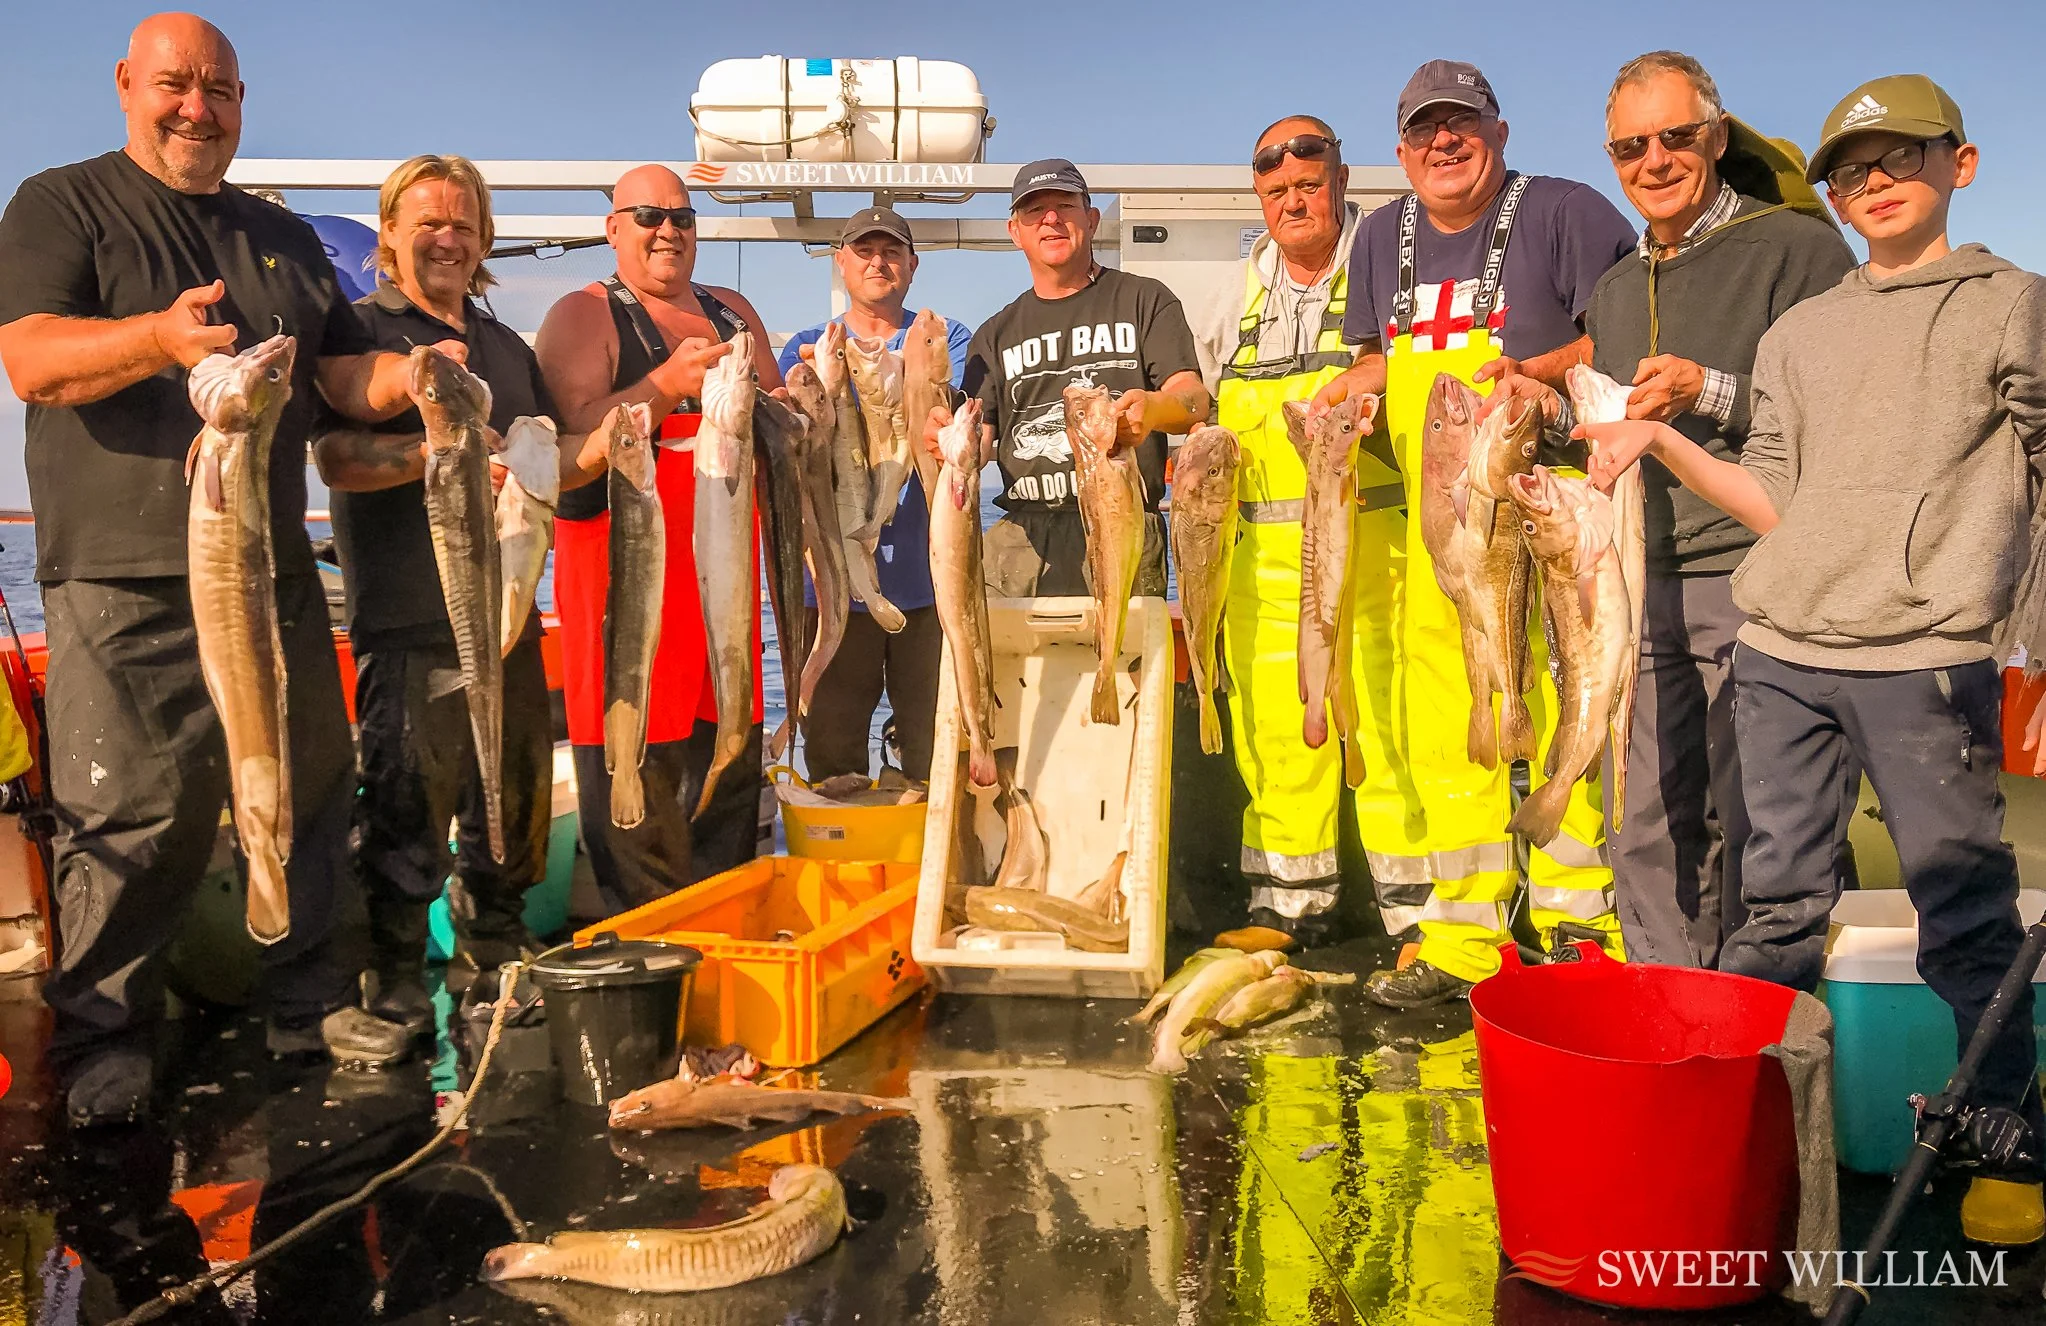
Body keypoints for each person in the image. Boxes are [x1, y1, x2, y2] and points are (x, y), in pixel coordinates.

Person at [1585, 74, 2046, 1245]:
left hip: (1925, 658)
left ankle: (2006, 1137)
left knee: (1964, 911)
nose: (1875, 183)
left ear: (1961, 164)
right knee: (1774, 910)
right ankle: (1748, 1136)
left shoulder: (2012, 306)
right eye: (1850, 171)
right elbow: (1774, 499)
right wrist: (1657, 442)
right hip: (1783, 653)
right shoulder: (1802, 332)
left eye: (1902, 157)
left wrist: (2036, 642)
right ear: (1829, 194)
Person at [0, 13, 431, 1122]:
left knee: (307, 781)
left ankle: (311, 999)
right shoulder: (61, 203)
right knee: (133, 811)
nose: (198, 108)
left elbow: (341, 376)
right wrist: (158, 338)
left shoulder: (276, 235)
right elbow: (32, 361)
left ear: (242, 105)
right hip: (120, 576)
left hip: (268, 565)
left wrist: (414, 378)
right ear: (126, 85)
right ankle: (105, 1037)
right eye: (175, 85)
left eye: (220, 91)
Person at [1490, 52, 1855, 968]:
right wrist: (1546, 414)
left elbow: (1845, 410)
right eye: (1630, 147)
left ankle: (1770, 1013)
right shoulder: (1615, 291)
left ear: (1717, 137)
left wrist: (1709, 389)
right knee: (1644, 819)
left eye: (1676, 137)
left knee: (1764, 819)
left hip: (1762, 579)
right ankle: (1668, 1000)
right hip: (1636, 586)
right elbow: (1617, 432)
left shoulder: (1799, 252)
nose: (1653, 161)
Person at [1309, 60, 1637, 1008]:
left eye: (1461, 123)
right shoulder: (1380, 236)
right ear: (1401, 148)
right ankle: (1464, 937)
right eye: (1424, 129)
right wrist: (1349, 395)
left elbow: (1621, 335)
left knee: (1578, 688)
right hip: (1442, 524)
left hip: (1551, 507)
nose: (1442, 142)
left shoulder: (1567, 212)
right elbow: (1381, 358)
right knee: (1453, 711)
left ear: (1499, 131)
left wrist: (1539, 370)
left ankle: (1584, 925)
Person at [312, 156, 600, 1035]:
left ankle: (497, 950)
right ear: (389, 233)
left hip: (509, 615)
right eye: (428, 222)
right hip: (409, 616)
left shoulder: (504, 346)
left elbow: (550, 457)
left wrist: (624, 429)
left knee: (512, 794)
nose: (447, 239)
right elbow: (336, 460)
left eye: (463, 225)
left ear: (484, 241)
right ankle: (396, 973)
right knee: (407, 798)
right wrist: (436, 454)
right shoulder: (359, 331)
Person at [535, 165, 783, 913]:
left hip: (722, 596)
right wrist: (668, 384)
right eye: (648, 216)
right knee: (636, 773)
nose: (667, 230)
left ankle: (721, 939)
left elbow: (775, 417)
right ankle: (651, 940)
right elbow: (570, 442)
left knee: (728, 771)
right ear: (614, 229)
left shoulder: (732, 310)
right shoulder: (583, 316)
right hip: (626, 591)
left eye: (682, 216)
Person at [1191, 116, 1390, 946]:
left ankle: (1421, 919)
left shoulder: (1386, 269)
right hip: (1258, 574)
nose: (1293, 202)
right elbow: (1197, 409)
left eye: (1309, 185)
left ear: (1340, 183)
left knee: (1390, 729)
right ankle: (1287, 908)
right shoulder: (1229, 297)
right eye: (1276, 191)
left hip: (1379, 559)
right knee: (1273, 738)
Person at [946, 160, 1208, 597]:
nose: (1050, 218)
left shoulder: (1146, 299)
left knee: (1124, 643)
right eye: (1034, 210)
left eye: (1065, 206)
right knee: (1012, 645)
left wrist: (1153, 408)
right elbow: (981, 438)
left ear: (1091, 219)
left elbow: (1195, 400)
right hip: (1022, 540)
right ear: (1015, 231)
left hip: (1124, 519)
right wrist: (948, 437)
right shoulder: (993, 334)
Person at [776, 207, 973, 782]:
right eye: (864, 251)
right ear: (841, 261)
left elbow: (953, 415)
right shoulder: (810, 346)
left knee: (935, 752)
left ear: (912, 264)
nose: (878, 262)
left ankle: (927, 832)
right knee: (832, 754)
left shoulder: (943, 336)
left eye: (891, 252)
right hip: (833, 584)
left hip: (930, 584)